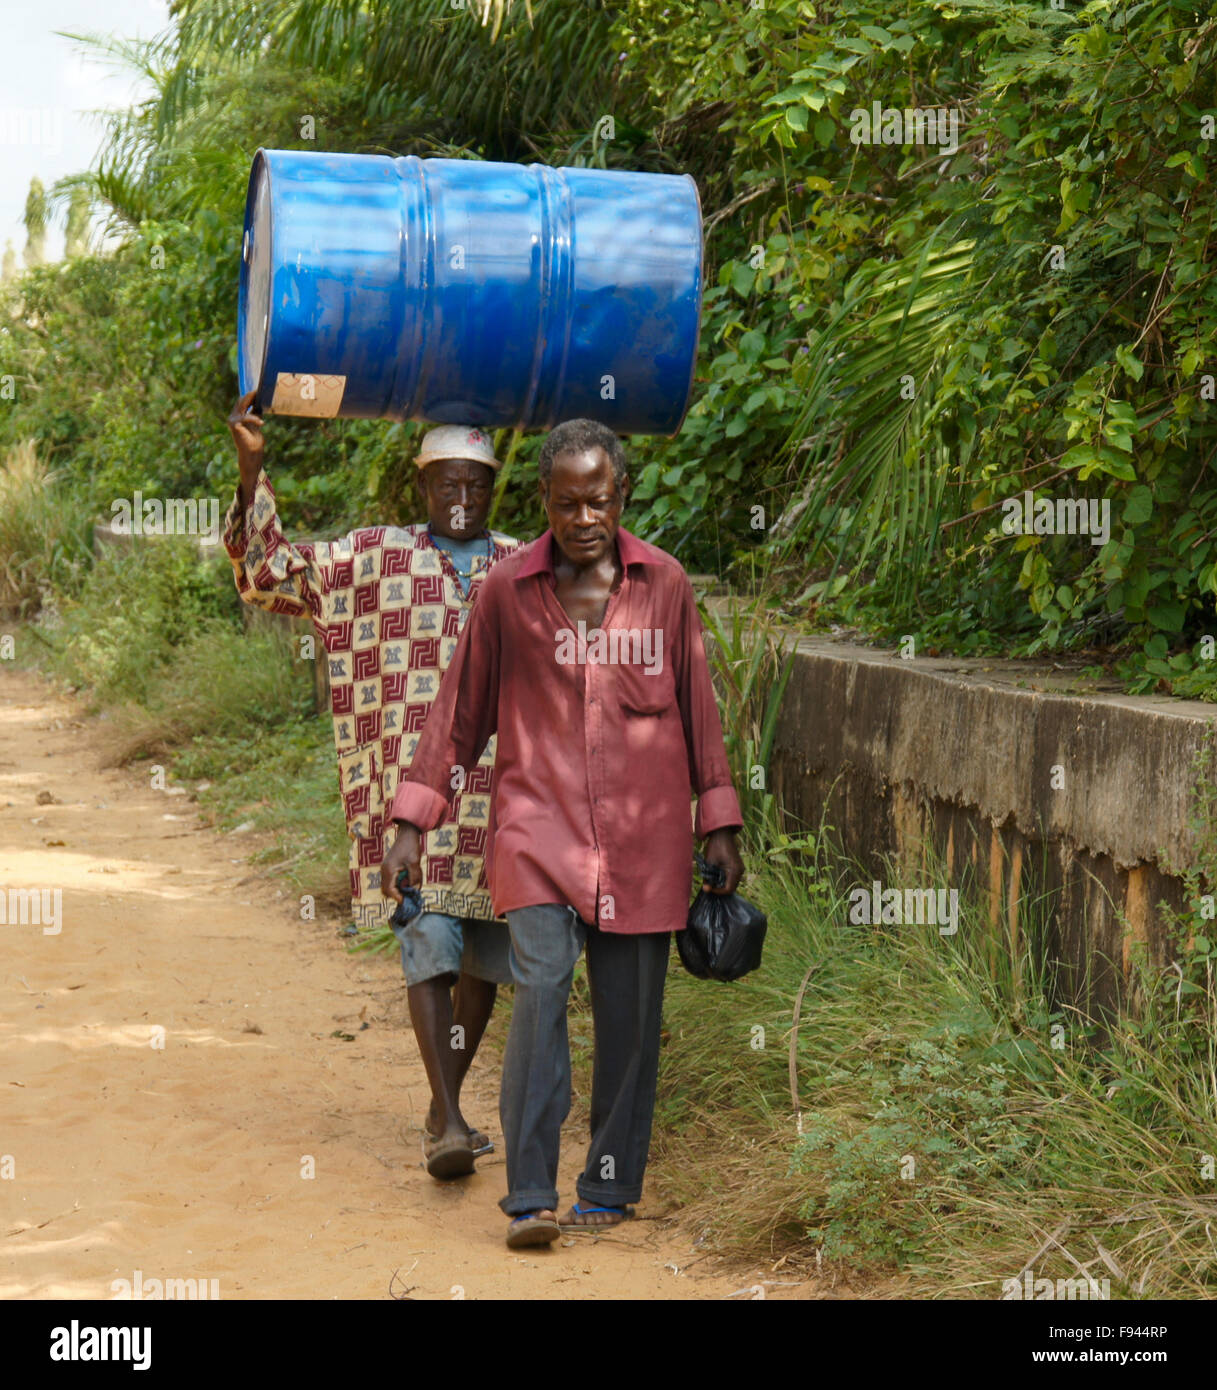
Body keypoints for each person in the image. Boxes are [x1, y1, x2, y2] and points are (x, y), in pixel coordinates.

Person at [380, 417, 744, 1248]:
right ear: (542, 501)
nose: (584, 519)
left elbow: (698, 708)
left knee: (629, 1015)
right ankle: (531, 1196)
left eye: (599, 501)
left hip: (644, 840)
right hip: (536, 833)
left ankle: (607, 1187)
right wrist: (412, 819)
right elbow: (459, 714)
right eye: (566, 503)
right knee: (540, 992)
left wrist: (716, 820)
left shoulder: (666, 585)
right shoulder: (507, 591)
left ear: (623, 496)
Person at [224, 392, 520, 1179]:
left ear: (494, 491)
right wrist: (253, 471)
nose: (461, 501)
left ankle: (441, 1100)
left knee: (483, 967)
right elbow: (268, 576)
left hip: (504, 805)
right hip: (411, 808)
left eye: (476, 487)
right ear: (420, 487)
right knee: (427, 943)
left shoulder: (526, 567)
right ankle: (452, 1120)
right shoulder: (375, 558)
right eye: (446, 485)